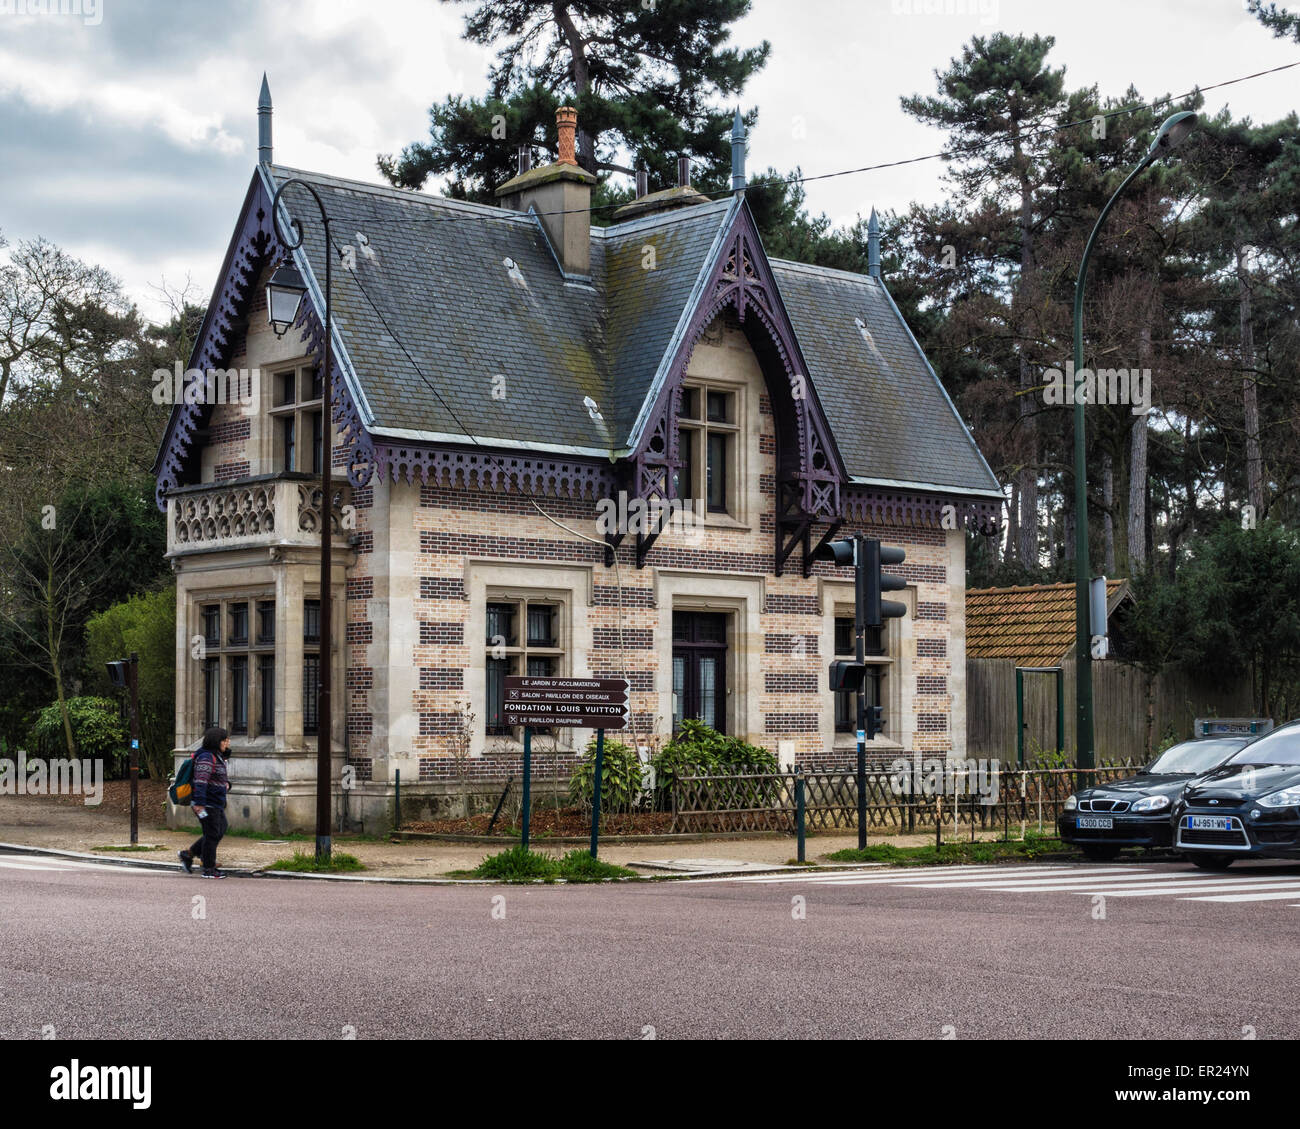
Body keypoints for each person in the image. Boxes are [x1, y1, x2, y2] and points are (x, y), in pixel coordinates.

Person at [177, 727, 231, 878]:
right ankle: (209, 868)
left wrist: (227, 785)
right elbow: (201, 781)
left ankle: (188, 854)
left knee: (219, 830)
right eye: (224, 740)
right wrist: (200, 803)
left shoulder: (216, 755)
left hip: (215, 802)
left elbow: (219, 777)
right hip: (206, 803)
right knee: (212, 833)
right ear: (216, 741)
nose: (227, 742)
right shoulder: (206, 757)